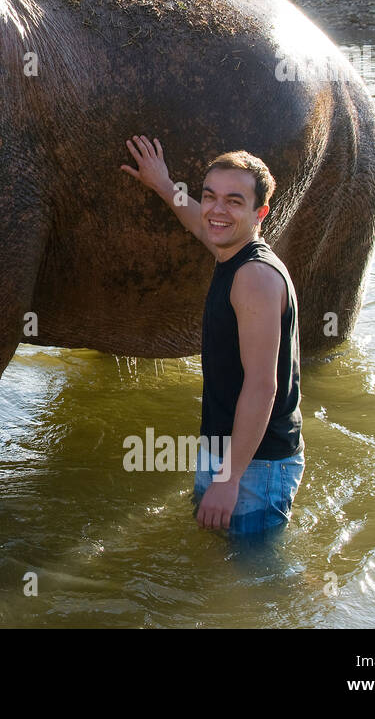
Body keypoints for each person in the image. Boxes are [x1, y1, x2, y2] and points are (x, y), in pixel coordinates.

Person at [121, 136, 304, 536]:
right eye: (210, 197)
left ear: (261, 213)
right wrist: (163, 185)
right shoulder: (232, 251)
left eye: (234, 201)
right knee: (223, 570)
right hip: (233, 454)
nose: (217, 211)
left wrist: (229, 479)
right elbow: (201, 223)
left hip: (257, 465)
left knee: (256, 580)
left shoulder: (254, 277)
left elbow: (262, 386)